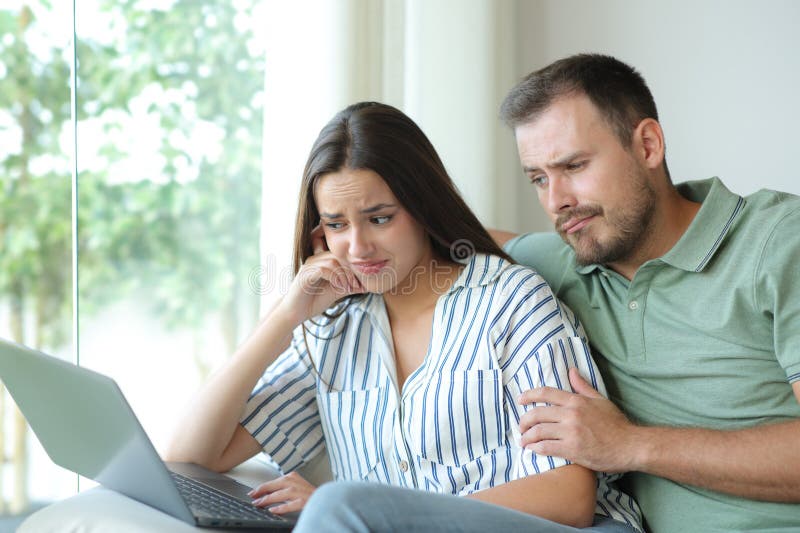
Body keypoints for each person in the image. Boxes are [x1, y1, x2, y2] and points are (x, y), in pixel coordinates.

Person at [165, 101, 642, 532]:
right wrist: (284, 317)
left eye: (379, 218)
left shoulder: (509, 299)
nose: (358, 247)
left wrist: (372, 514)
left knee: (338, 507)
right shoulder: (332, 333)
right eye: (336, 225)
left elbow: (571, 495)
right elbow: (190, 457)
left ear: (421, 206)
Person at [492, 53, 800, 532]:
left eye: (573, 165)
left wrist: (629, 444)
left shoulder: (779, 242)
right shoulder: (563, 262)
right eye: (538, 178)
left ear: (649, 145)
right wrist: (341, 249)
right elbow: (449, 236)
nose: (556, 201)